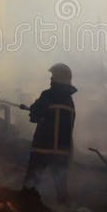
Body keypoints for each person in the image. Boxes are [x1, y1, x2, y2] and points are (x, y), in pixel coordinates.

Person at [20, 63, 76, 204]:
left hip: (43, 148)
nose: (50, 79)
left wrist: (33, 110)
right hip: (62, 152)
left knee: (31, 183)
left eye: (53, 76)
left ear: (58, 78)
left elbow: (35, 115)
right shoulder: (70, 101)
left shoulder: (48, 95)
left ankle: (26, 210)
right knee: (61, 188)